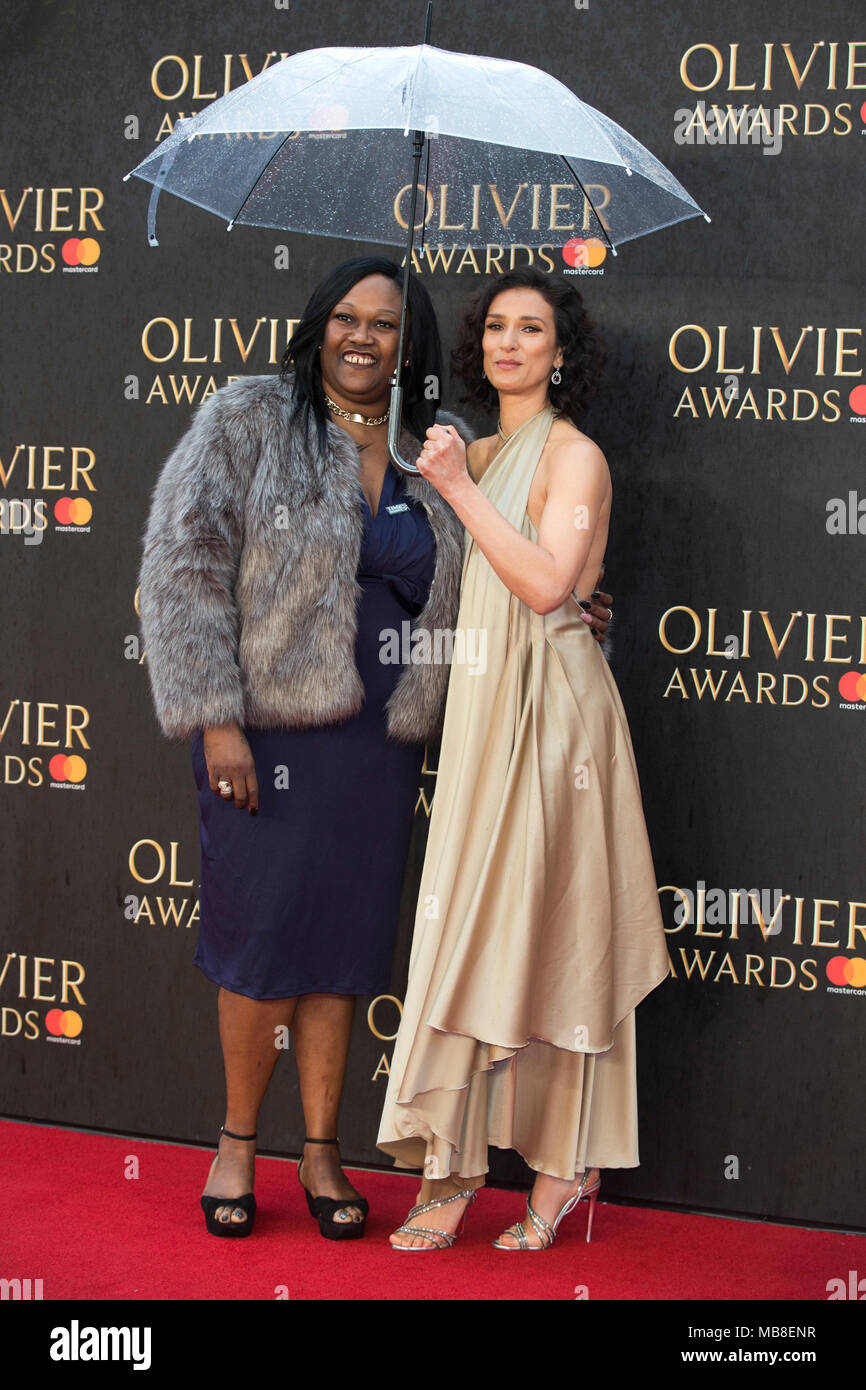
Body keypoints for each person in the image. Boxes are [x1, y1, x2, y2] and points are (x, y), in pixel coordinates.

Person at [138, 253, 618, 1241]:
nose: (363, 336)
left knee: (343, 947)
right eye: (347, 318)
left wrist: (575, 611)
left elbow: (496, 577)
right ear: (317, 326)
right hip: (264, 733)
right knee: (259, 939)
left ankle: (320, 1152)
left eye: (386, 323)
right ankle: (235, 1142)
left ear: (410, 342)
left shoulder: (429, 453)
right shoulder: (248, 420)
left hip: (380, 739)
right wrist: (215, 718)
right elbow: (180, 571)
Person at [377, 267, 670, 1251]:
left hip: (552, 726)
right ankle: (448, 1167)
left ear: (560, 351)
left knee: (551, 939)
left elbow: (547, 586)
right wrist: (439, 480)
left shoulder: (572, 456)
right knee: (466, 929)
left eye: (530, 328)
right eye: (495, 326)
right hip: (478, 716)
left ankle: (560, 1170)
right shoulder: (481, 448)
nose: (508, 342)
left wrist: (456, 488)